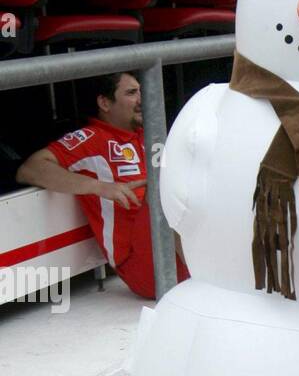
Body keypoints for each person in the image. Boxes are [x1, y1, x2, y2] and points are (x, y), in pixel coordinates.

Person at [16, 72, 188, 299]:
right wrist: (101, 187)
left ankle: (216, 271)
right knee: (163, 188)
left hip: (175, 256)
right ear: (105, 103)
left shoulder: (151, 136)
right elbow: (30, 169)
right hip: (143, 266)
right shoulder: (91, 138)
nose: (142, 99)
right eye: (131, 93)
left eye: (142, 91)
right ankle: (210, 277)